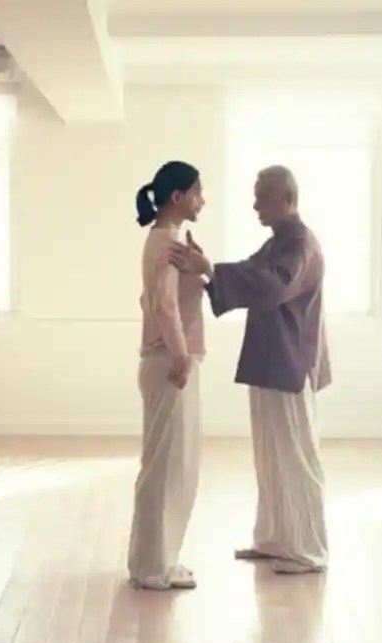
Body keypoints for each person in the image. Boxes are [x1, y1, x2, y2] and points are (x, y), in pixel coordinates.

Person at [168, 165, 331, 575]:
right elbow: (250, 270)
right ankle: (275, 539)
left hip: (291, 362)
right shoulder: (279, 241)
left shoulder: (300, 244)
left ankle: (309, 551)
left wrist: (209, 268)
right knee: (271, 455)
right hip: (270, 359)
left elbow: (272, 286)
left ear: (287, 199)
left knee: (296, 457)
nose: (255, 205)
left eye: (263, 197)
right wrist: (205, 269)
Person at [128, 160, 207, 591]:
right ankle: (154, 567)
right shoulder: (169, 242)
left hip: (163, 360)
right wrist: (179, 353)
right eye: (197, 192)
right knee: (167, 466)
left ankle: (152, 561)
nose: (202, 201)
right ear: (178, 197)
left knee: (164, 463)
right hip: (168, 362)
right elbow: (163, 303)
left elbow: (153, 300)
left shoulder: (162, 238)